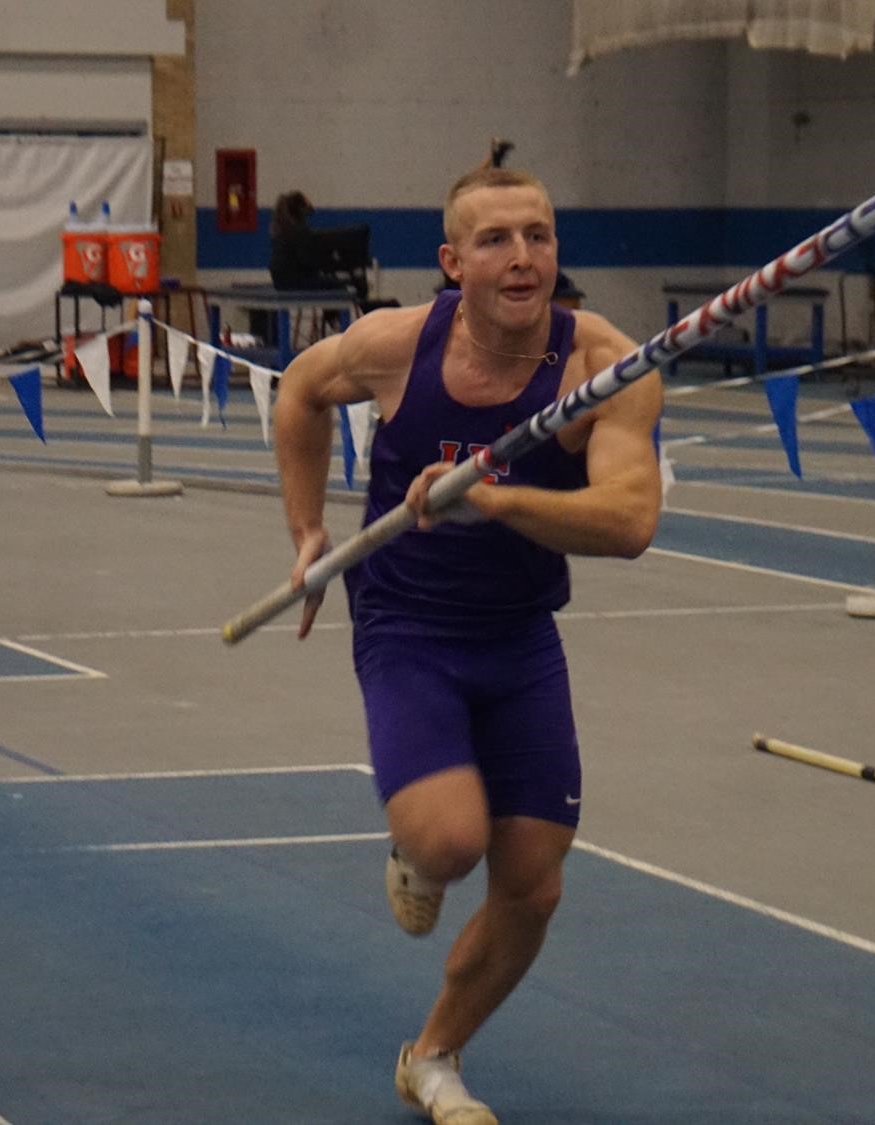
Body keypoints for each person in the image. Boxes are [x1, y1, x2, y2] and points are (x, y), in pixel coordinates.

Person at [272, 166, 662, 1124]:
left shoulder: (606, 367)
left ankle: (434, 1056)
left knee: (533, 886)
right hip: (407, 625)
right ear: (453, 263)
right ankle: (419, 849)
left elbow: (629, 521)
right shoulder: (398, 344)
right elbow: (301, 390)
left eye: (538, 235)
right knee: (451, 840)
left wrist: (494, 499)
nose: (522, 257)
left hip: (520, 636)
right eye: (495, 240)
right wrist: (307, 528)